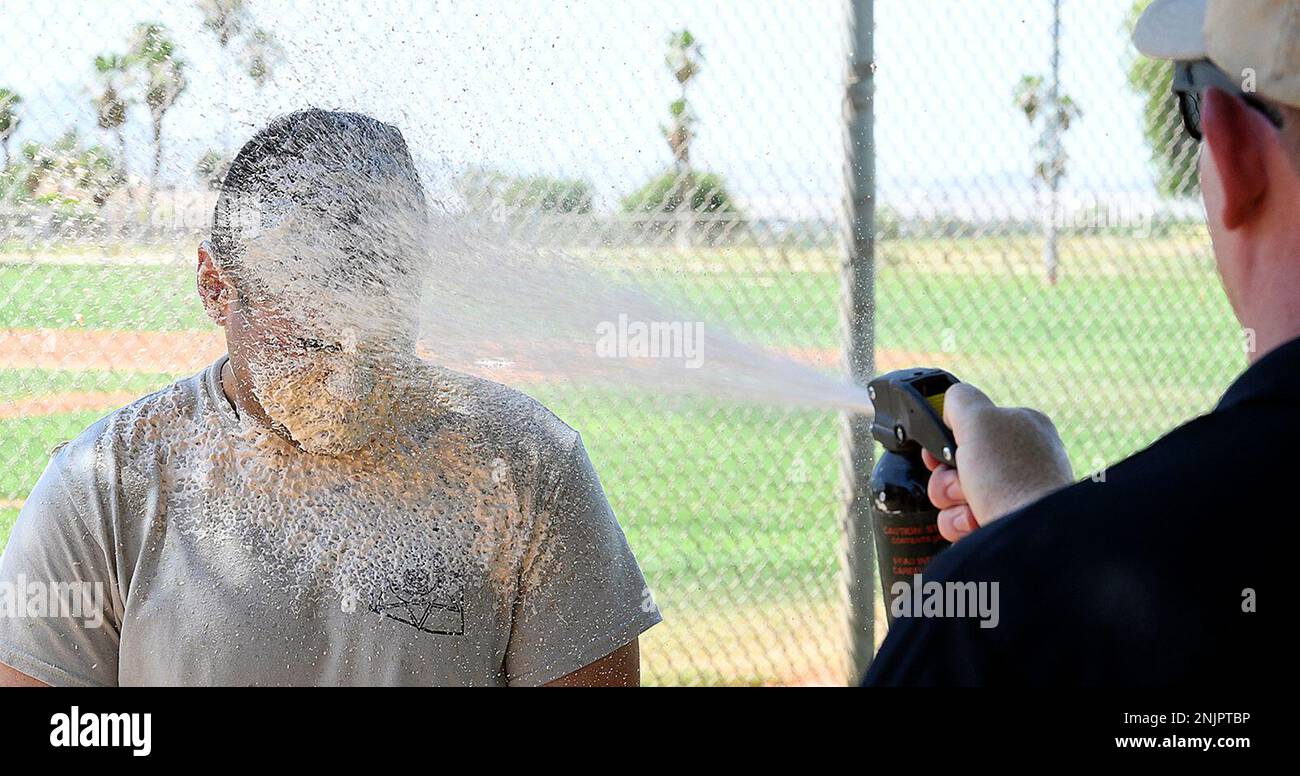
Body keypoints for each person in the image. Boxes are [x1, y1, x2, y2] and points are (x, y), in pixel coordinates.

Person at [0, 109, 660, 686]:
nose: (350, 381)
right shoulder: (105, 486)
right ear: (214, 287)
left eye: (380, 341)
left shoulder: (525, 467)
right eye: (310, 345)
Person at [865, 0, 1284, 685]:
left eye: (1189, 101)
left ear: (1231, 146)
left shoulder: (982, 644)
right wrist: (1040, 523)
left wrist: (1039, 537)